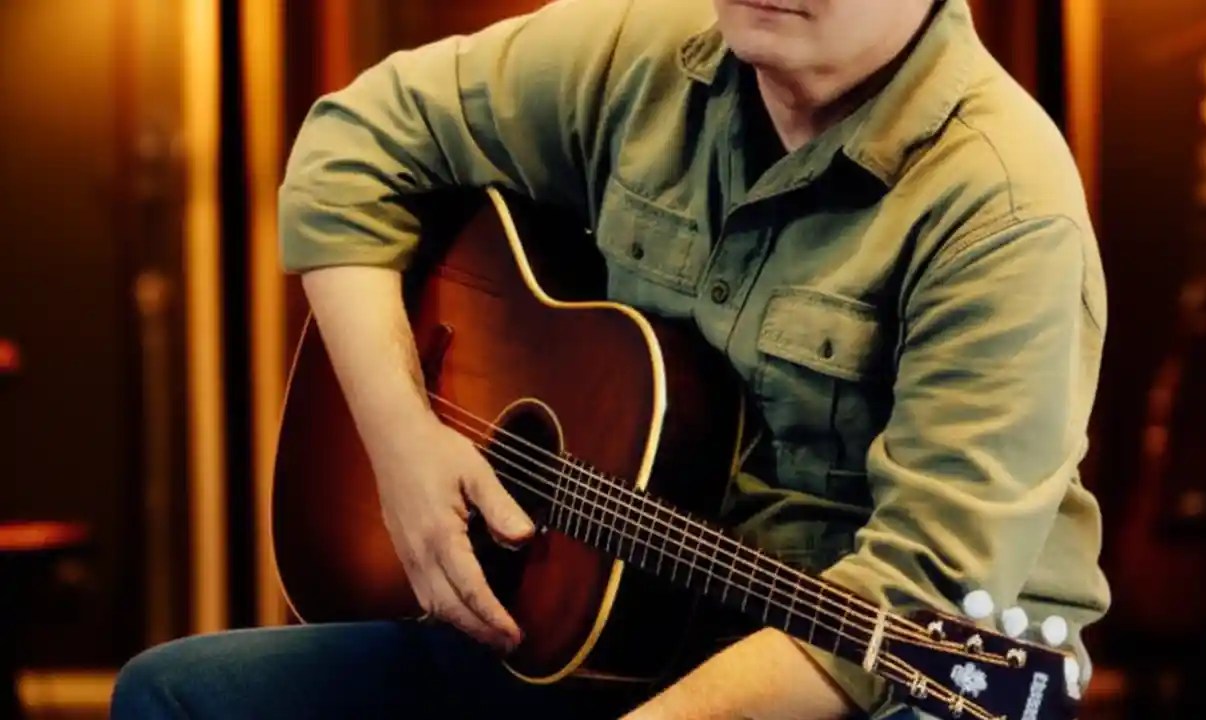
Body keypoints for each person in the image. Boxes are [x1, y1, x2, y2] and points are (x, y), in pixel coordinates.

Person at [110, 0, 1111, 717]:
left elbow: (908, 605)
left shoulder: (1004, 214)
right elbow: (350, 143)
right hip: (588, 625)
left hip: (855, 681)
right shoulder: (641, 52)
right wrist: (404, 444)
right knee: (174, 692)